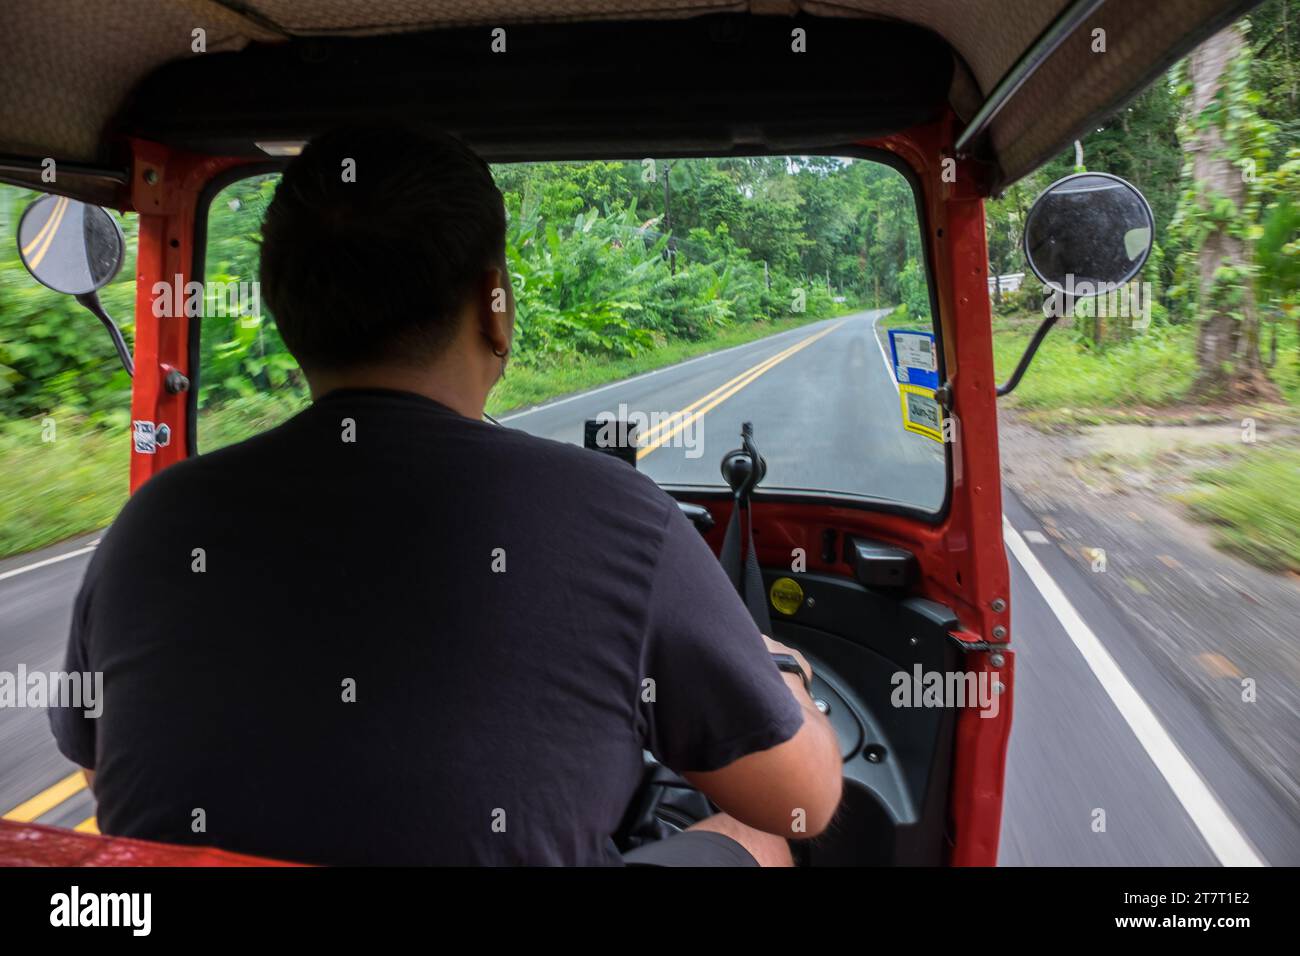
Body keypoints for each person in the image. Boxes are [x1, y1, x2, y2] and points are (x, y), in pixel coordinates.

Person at [49, 125, 842, 866]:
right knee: (756, 833)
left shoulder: (153, 522)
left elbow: (103, 779)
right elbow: (804, 801)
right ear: (494, 306)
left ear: (289, 315)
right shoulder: (620, 518)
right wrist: (783, 675)